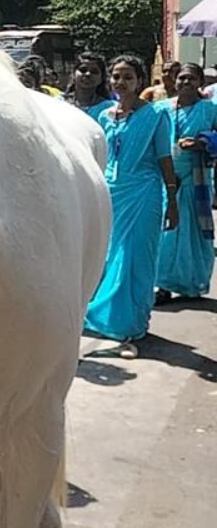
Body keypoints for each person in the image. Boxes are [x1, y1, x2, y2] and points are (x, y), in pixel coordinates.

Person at [86, 55, 180, 358]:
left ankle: (133, 322)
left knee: (136, 258)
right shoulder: (105, 116)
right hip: (112, 194)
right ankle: (107, 318)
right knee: (111, 255)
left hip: (145, 193)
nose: (120, 83)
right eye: (115, 76)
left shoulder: (155, 115)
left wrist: (172, 200)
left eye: (127, 77)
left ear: (140, 81)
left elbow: (165, 158)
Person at [156, 62, 217, 303]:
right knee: (166, 235)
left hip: (196, 180)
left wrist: (203, 142)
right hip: (166, 180)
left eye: (192, 78)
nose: (186, 82)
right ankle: (163, 285)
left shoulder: (209, 110)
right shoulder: (161, 109)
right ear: (173, 80)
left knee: (194, 235)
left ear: (201, 83)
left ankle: (192, 285)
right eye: (181, 78)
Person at [65, 52, 114, 120]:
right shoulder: (59, 103)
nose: (88, 74)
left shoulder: (109, 108)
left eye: (94, 72)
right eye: (83, 70)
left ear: (102, 78)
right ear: (73, 74)